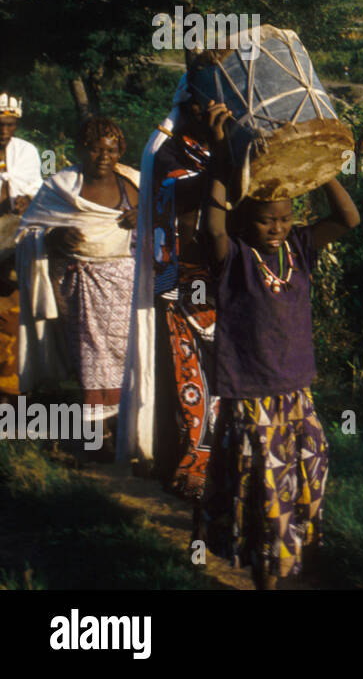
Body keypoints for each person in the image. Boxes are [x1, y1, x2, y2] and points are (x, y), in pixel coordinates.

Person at [196, 102, 359, 590]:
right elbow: (212, 228)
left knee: (308, 478)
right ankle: (267, 580)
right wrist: (223, 161)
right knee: (267, 496)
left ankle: (285, 568)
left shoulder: (299, 251)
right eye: (267, 220)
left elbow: (348, 218)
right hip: (253, 397)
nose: (278, 227)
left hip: (297, 394)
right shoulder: (235, 259)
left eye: (285, 218)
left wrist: (317, 167)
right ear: (247, 223)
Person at [118, 76, 224, 501]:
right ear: (190, 110)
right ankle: (186, 465)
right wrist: (226, 155)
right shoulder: (170, 154)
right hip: (181, 285)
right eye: (203, 107)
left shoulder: (229, 147)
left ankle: (228, 461)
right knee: (185, 375)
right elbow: (185, 192)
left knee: (225, 374)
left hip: (223, 284)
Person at [16, 117, 139, 454]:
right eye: (96, 148)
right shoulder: (61, 187)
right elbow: (27, 232)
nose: (104, 155)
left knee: (127, 353)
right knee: (90, 354)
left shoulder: (134, 184)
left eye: (111, 149)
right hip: (79, 282)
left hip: (125, 283)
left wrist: (142, 215)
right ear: (82, 150)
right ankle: (96, 433)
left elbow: (160, 222)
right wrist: (55, 236)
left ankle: (123, 425)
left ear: (120, 152)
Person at [0, 92, 42, 404]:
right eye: (1, 124)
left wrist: (27, 198)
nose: (4, 131)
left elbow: (36, 188)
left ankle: (9, 389)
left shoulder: (27, 152)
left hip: (12, 242)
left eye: (10, 125)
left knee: (11, 312)